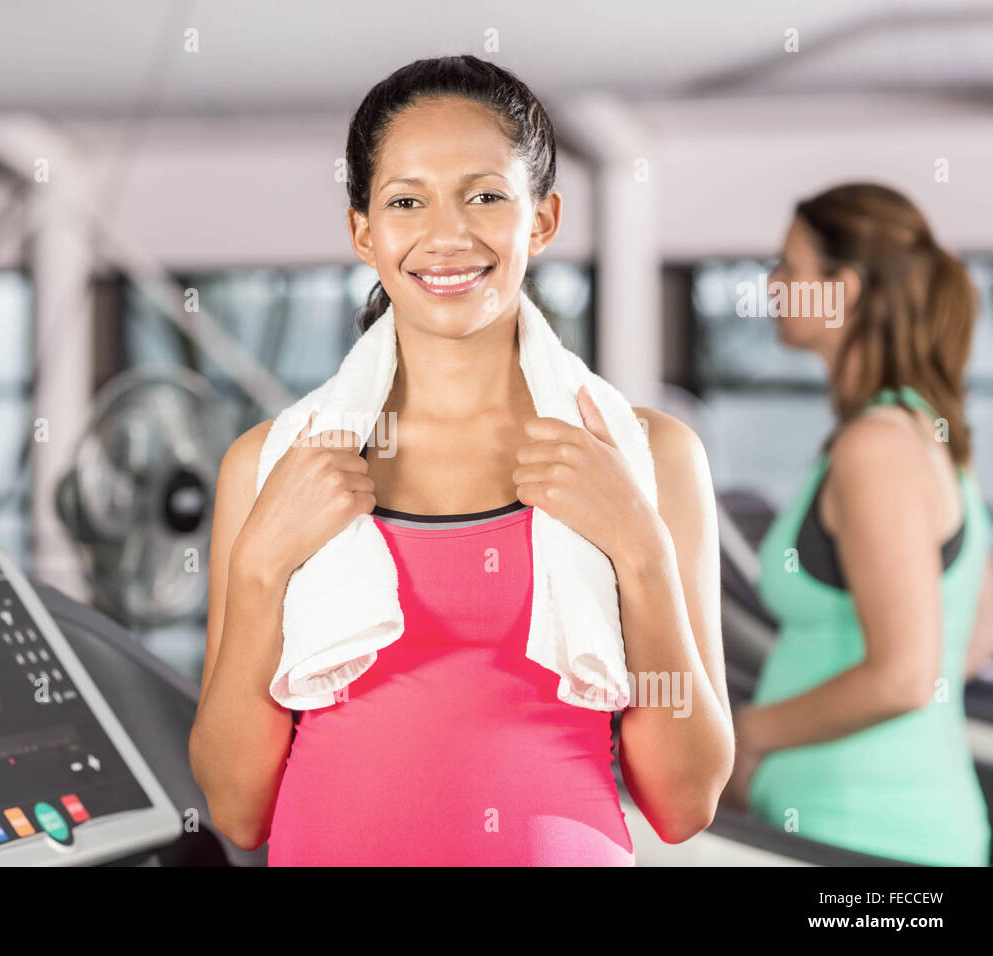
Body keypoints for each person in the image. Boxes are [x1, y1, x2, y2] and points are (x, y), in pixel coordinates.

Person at [189, 54, 733, 866]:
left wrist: (641, 550)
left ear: (542, 220)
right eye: (407, 201)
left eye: (485, 196)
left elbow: (684, 803)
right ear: (364, 233)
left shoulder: (648, 457)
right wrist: (263, 563)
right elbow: (237, 809)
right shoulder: (268, 467)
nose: (447, 235)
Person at [723, 183, 993, 867]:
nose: (773, 285)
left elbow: (907, 675)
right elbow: (965, 643)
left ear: (841, 287)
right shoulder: (929, 437)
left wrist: (747, 735)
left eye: (788, 268)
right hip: (882, 823)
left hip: (861, 832)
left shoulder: (875, 448)